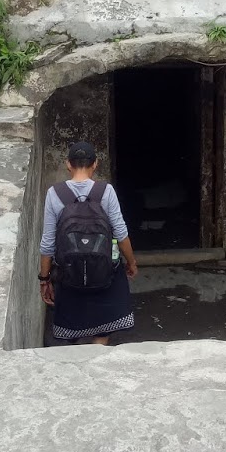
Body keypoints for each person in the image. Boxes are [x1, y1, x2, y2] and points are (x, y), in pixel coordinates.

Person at [39, 141, 139, 345]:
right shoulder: (106, 191)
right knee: (103, 329)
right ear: (95, 164)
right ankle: (96, 355)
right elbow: (121, 233)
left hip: (68, 274)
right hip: (105, 271)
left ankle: (75, 363)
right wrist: (131, 262)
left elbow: (48, 243)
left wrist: (44, 279)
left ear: (68, 164)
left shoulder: (55, 194)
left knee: (71, 328)